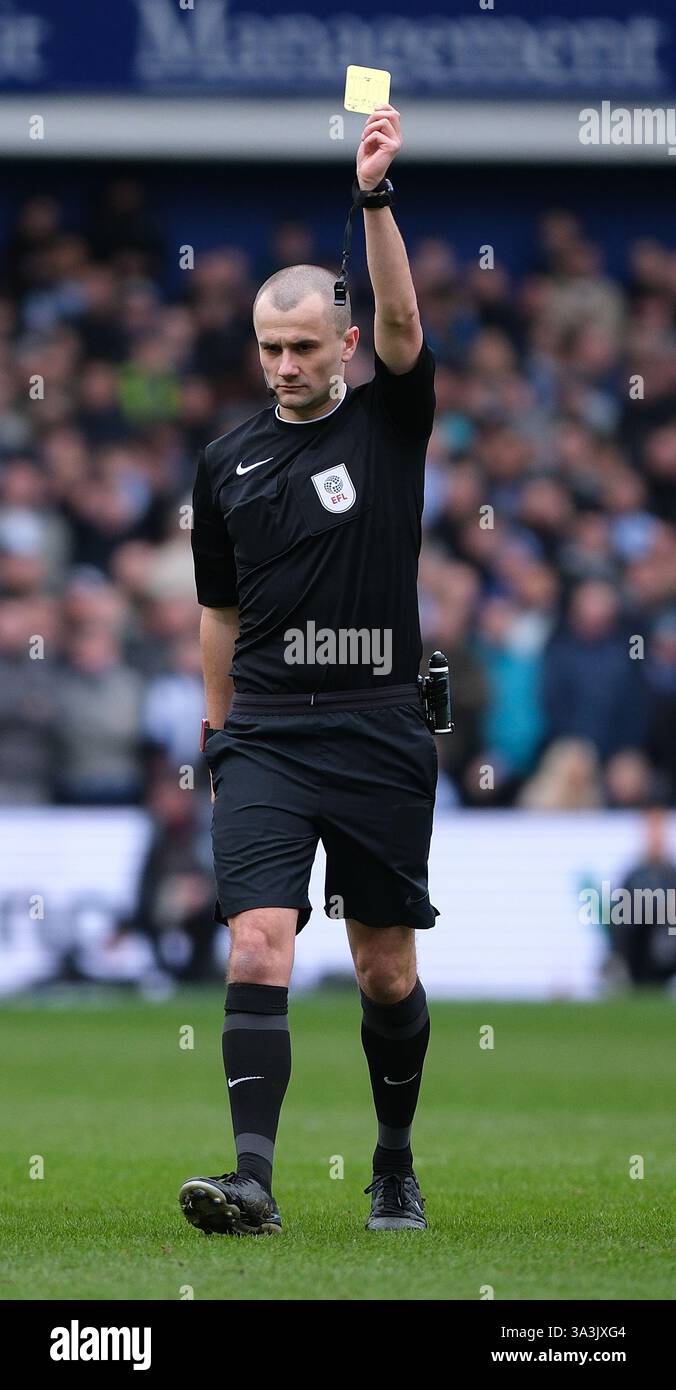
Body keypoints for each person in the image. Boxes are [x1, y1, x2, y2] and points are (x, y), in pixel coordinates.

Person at [180, 105, 438, 1236]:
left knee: (384, 969)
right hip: (271, 731)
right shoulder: (224, 460)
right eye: (268, 348)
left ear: (340, 345)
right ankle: (252, 1179)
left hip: (380, 719)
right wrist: (215, 730)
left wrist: (373, 197)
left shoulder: (390, 425)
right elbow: (216, 609)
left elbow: (401, 310)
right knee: (257, 938)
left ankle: (391, 1160)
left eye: (303, 346)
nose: (284, 365)